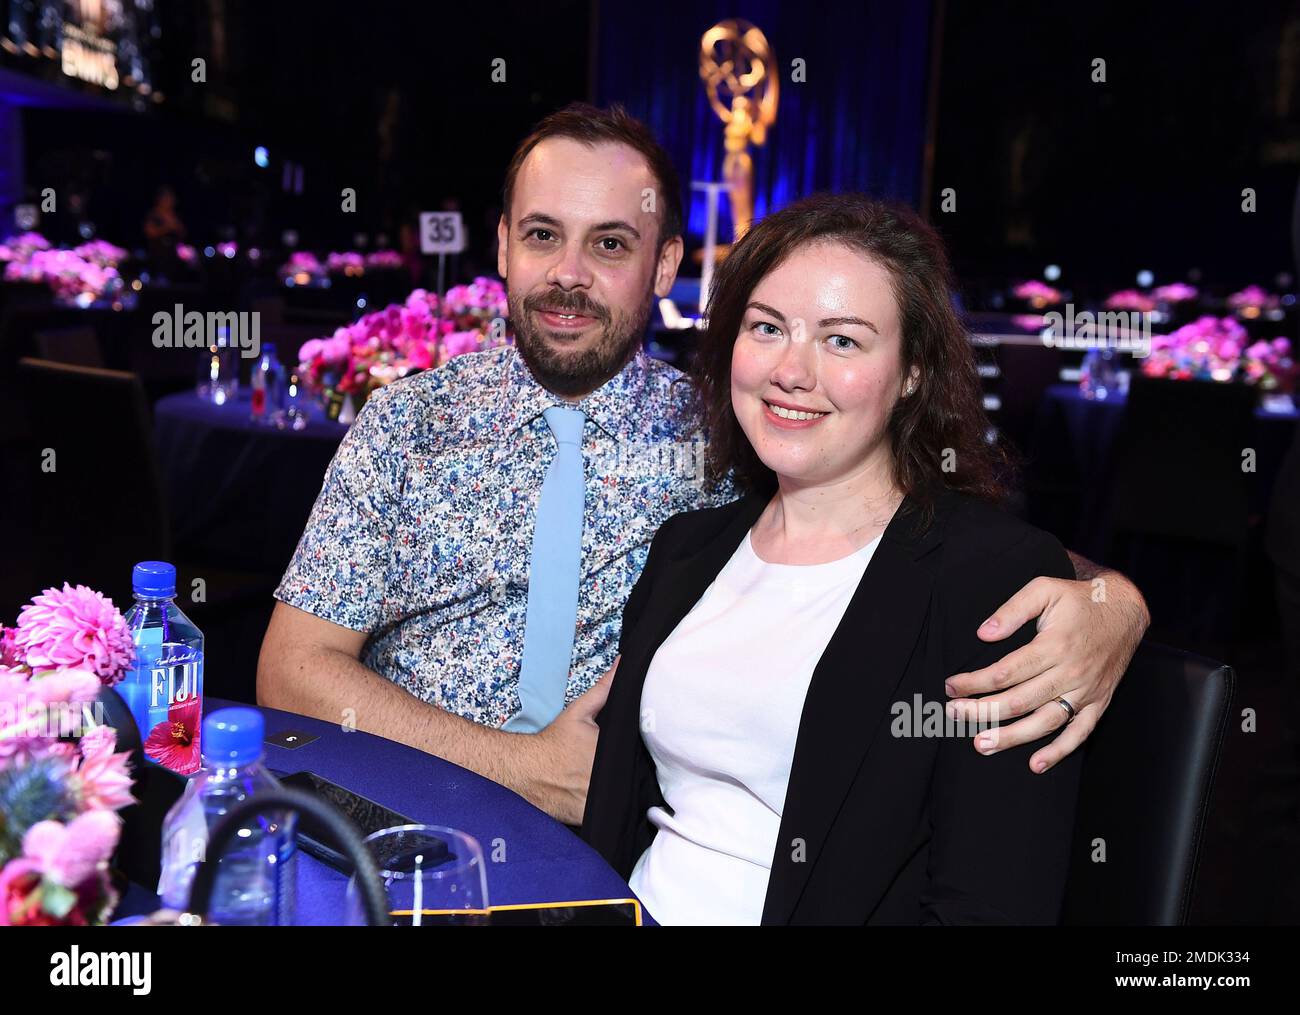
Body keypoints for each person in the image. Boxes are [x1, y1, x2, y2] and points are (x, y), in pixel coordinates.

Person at [257, 104, 1148, 826]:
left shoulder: (734, 431)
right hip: (388, 825)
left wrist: (1114, 603)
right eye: (542, 235)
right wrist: (522, 768)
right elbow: (292, 669)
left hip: (609, 862)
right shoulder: (408, 422)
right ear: (501, 248)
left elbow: (931, 535)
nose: (568, 275)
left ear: (665, 265)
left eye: (611, 244)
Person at [582, 193, 1085, 924]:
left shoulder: (988, 582)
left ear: (913, 372)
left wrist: (1119, 603)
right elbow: (620, 817)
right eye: (767, 327)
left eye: (842, 340)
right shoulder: (687, 550)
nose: (792, 370)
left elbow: (990, 904)